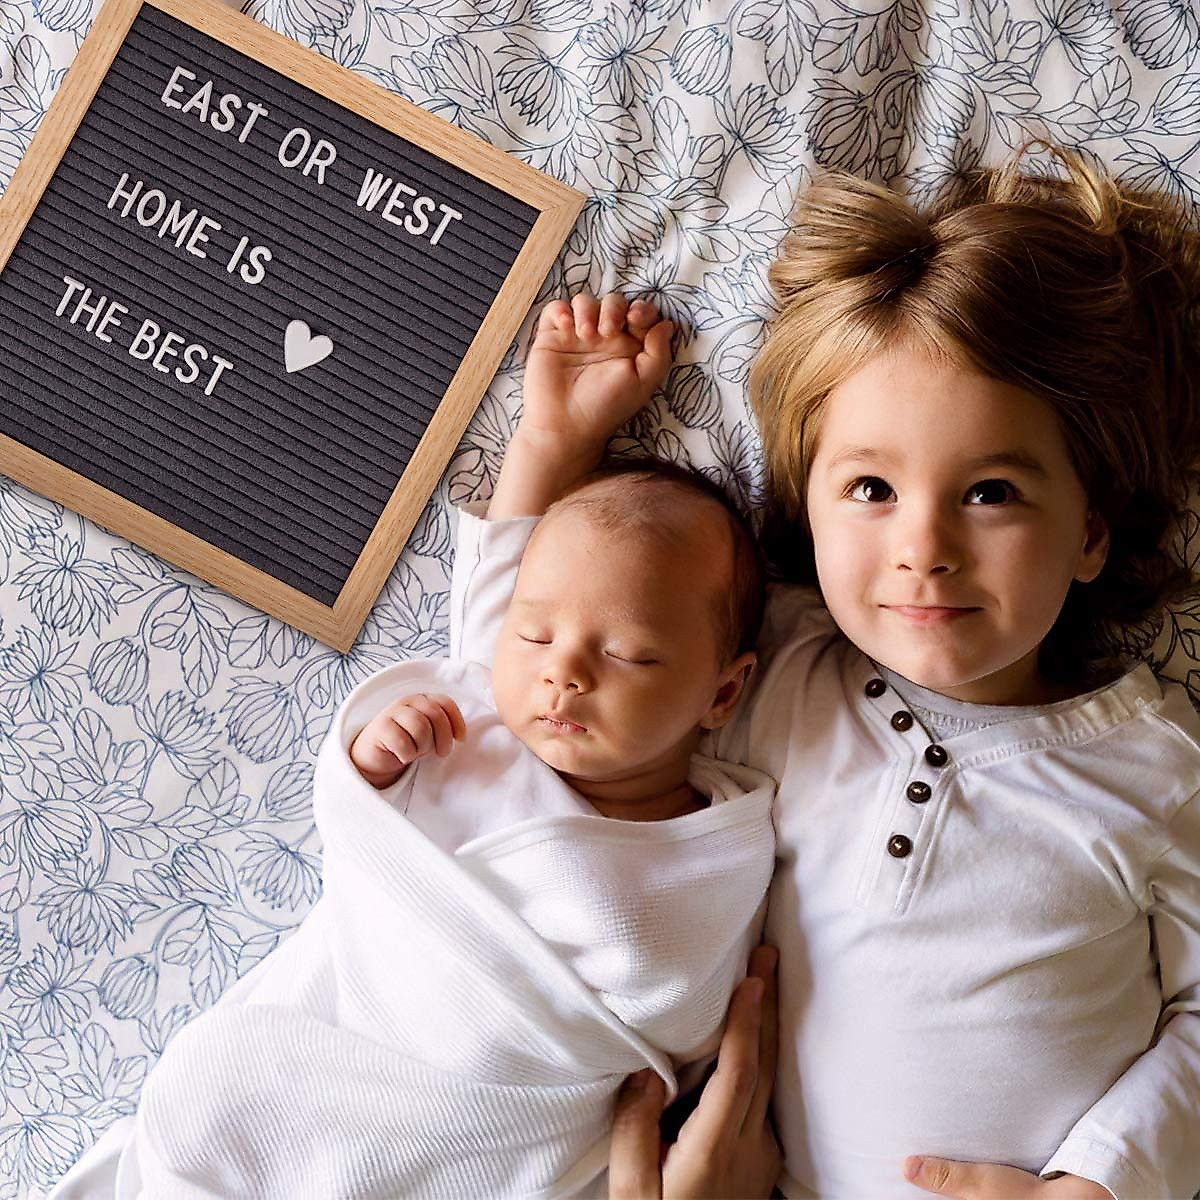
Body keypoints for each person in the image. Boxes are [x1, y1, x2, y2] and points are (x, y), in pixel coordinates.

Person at [451, 145, 1200, 1200]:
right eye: (871, 490)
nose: (923, 548)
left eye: (990, 492)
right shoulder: (770, 673)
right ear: (805, 509)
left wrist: (1104, 1179)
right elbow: (525, 669)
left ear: (1090, 532)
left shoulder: (1153, 765)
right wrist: (551, 446)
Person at [48, 378, 781, 1196]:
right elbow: (497, 587)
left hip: (488, 1121)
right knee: (219, 1095)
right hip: (323, 1060)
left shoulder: (717, 846)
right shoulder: (474, 723)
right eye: (534, 634)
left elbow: (684, 1009)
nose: (561, 672)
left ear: (722, 692)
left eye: (627, 655)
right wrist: (370, 766)